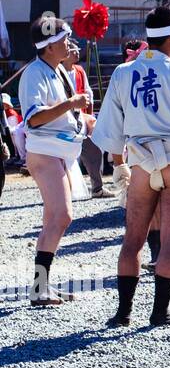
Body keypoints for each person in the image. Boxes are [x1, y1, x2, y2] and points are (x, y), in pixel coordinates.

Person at [94, 7, 170, 326]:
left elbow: (109, 130)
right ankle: (160, 311)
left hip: (141, 162)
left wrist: (118, 162)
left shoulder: (124, 72)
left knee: (132, 237)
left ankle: (123, 313)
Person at [20, 17, 92, 306]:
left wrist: (84, 120)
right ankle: (39, 288)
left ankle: (42, 286)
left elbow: (59, 116)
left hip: (57, 151)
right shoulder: (35, 73)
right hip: (45, 151)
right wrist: (72, 104)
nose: (69, 44)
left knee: (52, 219)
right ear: (49, 45)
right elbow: (34, 118)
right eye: (64, 39)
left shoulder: (56, 69)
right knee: (61, 217)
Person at [63, 41, 109, 199]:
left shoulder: (79, 70)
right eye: (73, 50)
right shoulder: (57, 72)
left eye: (77, 50)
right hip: (63, 121)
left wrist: (88, 115)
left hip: (81, 119)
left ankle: (97, 188)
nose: (77, 53)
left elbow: (88, 92)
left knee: (94, 149)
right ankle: (63, 192)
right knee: (64, 158)